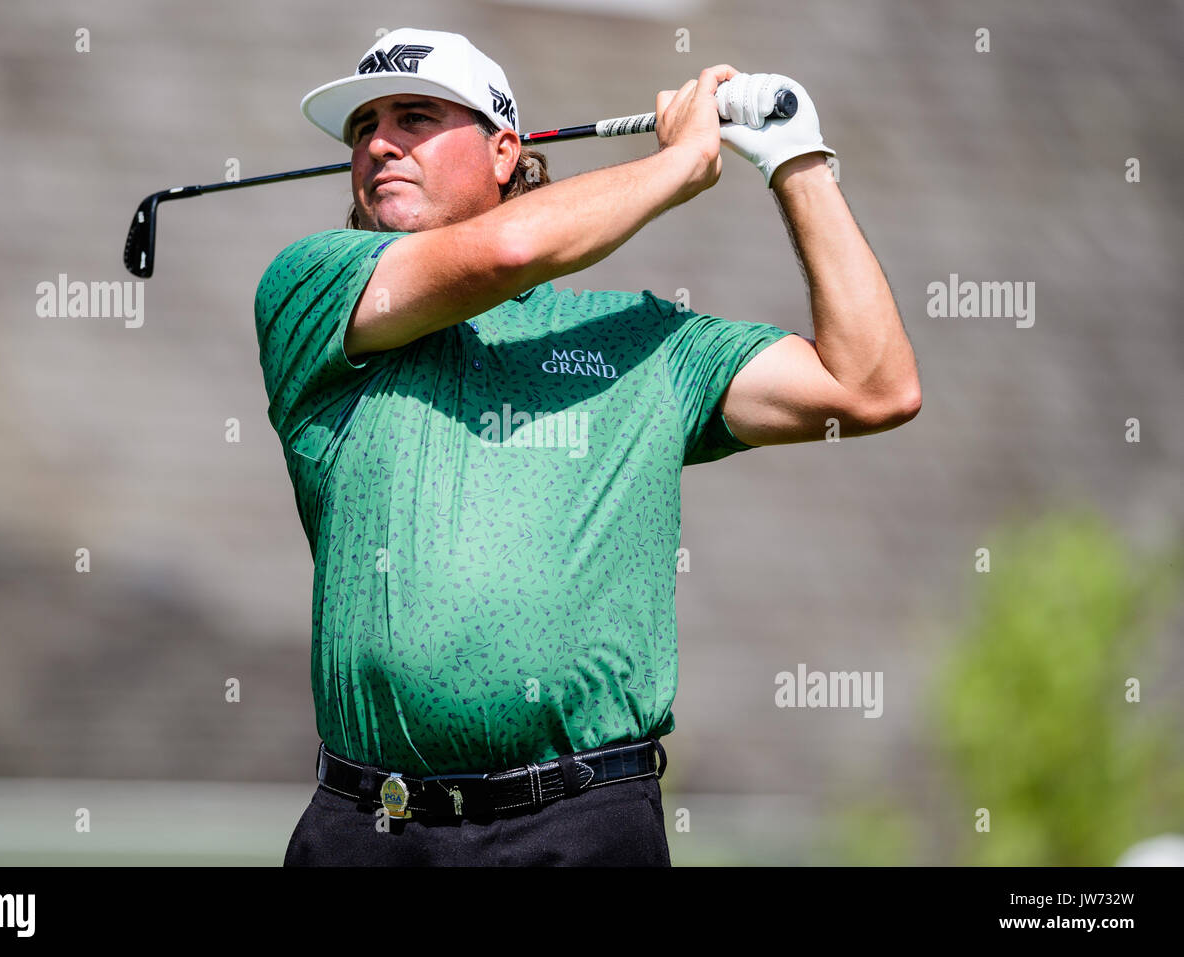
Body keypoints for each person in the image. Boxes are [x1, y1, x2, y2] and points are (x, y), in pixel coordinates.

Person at [254, 27, 920, 866]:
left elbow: (872, 386)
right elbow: (509, 249)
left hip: (582, 827)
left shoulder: (644, 341)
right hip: (369, 829)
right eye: (363, 129)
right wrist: (681, 163)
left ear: (505, 153)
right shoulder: (311, 288)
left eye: (415, 117)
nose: (380, 142)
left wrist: (797, 160)